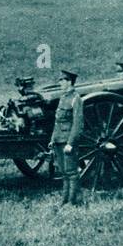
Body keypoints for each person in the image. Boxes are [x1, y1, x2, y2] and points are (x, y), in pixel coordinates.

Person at [49, 69, 84, 205]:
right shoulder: (63, 98)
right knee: (63, 172)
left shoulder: (76, 99)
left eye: (62, 80)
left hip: (67, 141)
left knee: (72, 172)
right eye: (60, 80)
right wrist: (52, 140)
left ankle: (73, 201)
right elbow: (57, 122)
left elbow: (77, 123)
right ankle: (64, 201)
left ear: (70, 82)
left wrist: (71, 143)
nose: (60, 83)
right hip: (58, 140)